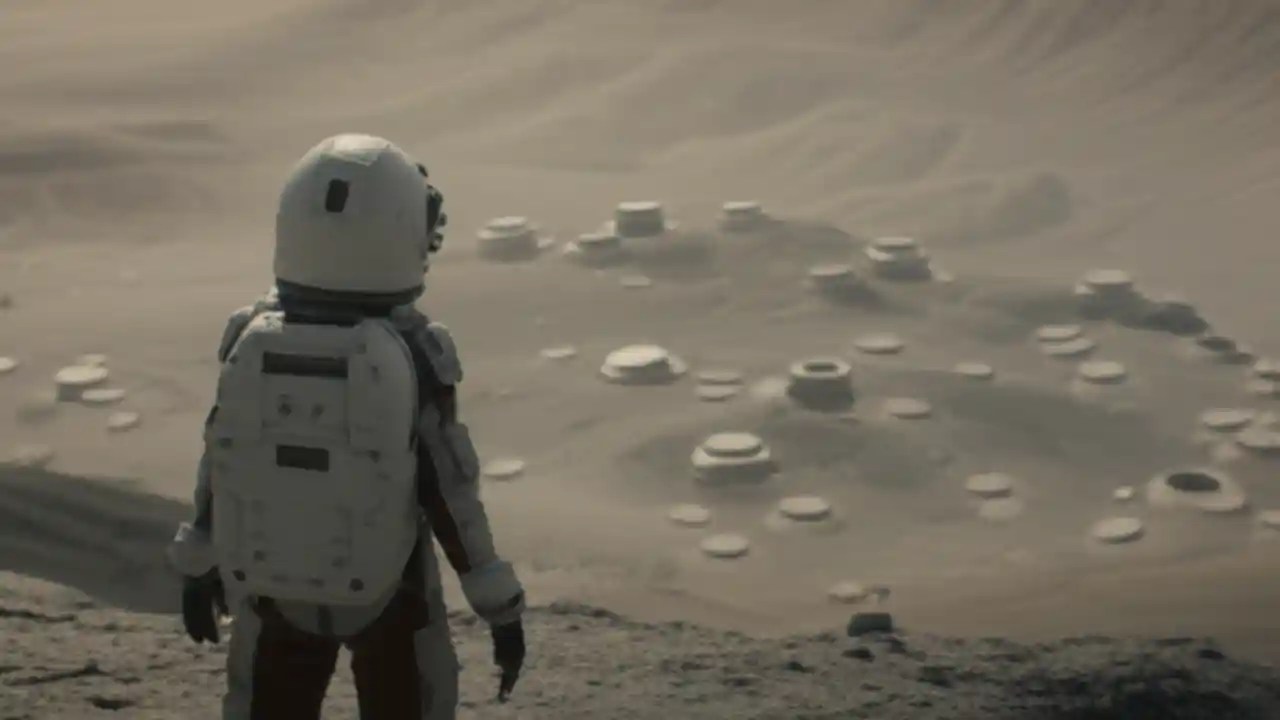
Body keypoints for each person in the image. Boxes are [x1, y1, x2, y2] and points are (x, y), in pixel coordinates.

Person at [165, 133, 526, 720]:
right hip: (392, 590)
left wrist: (198, 563)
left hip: (271, 583)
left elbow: (223, 456)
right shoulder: (414, 351)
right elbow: (449, 491)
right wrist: (498, 605)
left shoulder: (250, 337)